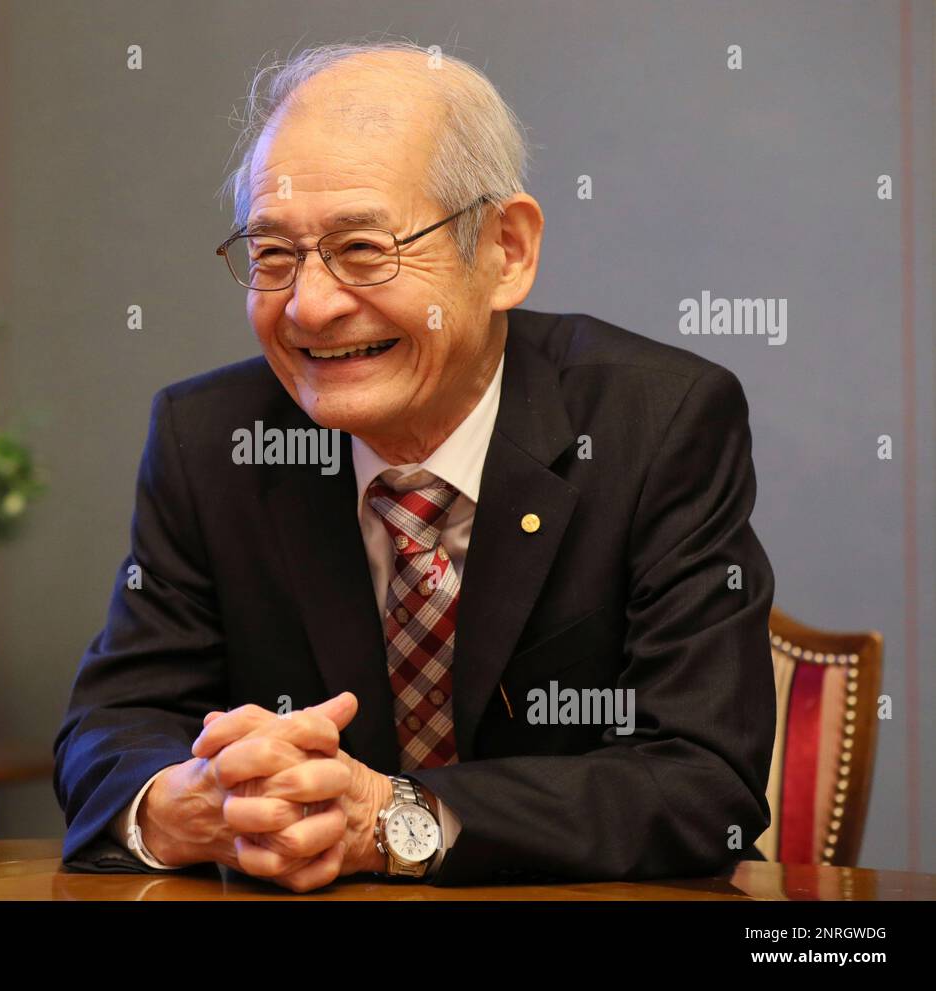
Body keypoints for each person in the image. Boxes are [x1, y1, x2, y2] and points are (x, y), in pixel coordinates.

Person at [53, 41, 775, 892]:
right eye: (273, 254)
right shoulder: (211, 438)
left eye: (364, 248)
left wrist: (388, 818)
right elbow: (110, 725)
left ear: (506, 250)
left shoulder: (657, 424)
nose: (310, 306)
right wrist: (188, 799)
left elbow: (700, 779)